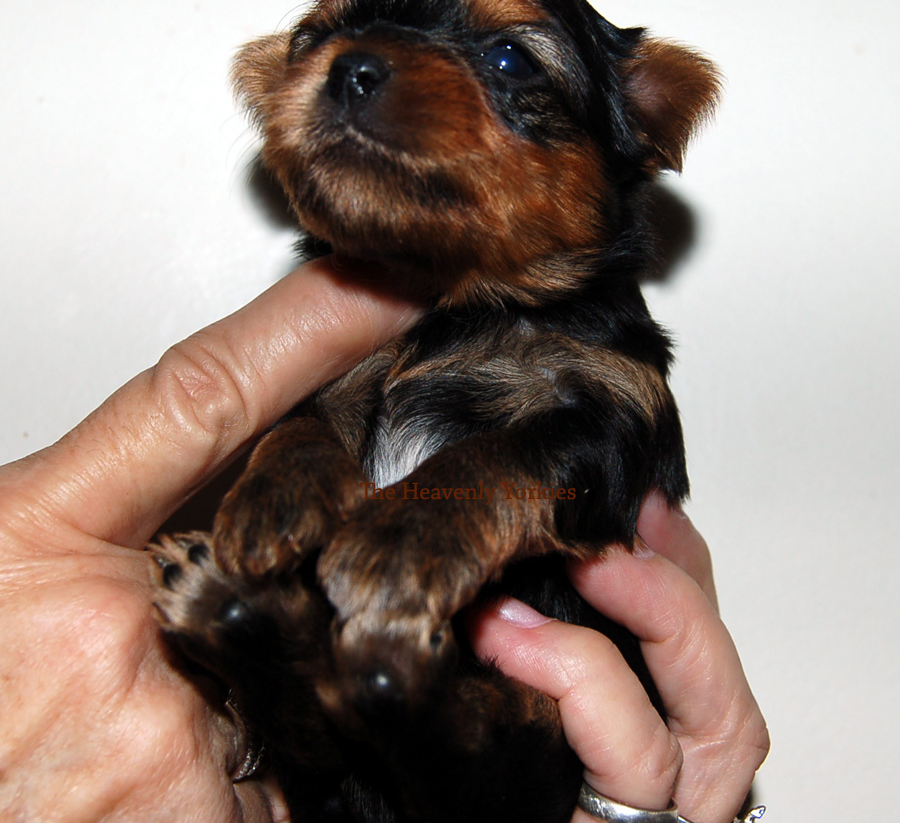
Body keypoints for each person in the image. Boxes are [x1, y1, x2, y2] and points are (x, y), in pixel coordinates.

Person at [0, 258, 768, 822]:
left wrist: (442, 518)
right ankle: (283, 655)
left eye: (511, 63)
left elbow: (583, 471)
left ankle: (316, 667)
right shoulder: (347, 322)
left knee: (499, 746)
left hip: (513, 745)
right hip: (336, 766)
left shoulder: (604, 350)